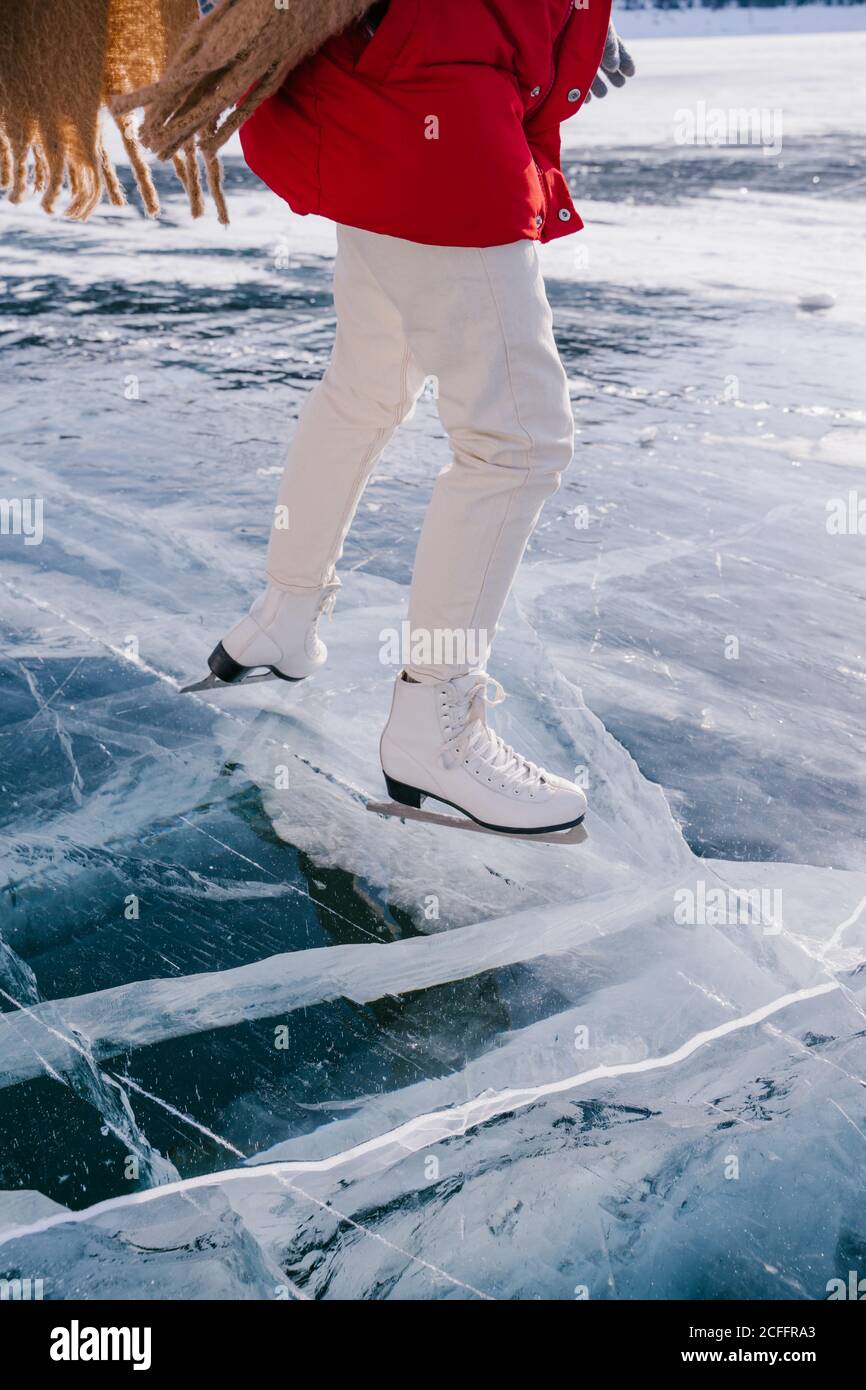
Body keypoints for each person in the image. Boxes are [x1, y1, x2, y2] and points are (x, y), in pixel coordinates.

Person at [200, 0, 636, 835]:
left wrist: (559, 17)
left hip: (396, 85)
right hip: (437, 96)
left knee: (369, 380)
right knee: (519, 440)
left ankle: (283, 617)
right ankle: (432, 725)